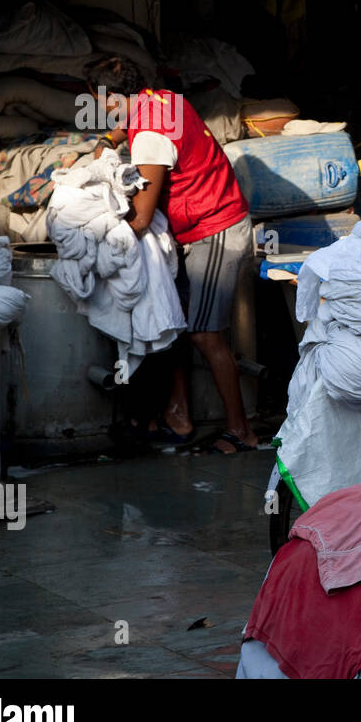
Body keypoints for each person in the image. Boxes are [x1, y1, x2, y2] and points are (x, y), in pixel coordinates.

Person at [87, 55, 260, 454]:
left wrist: (101, 235)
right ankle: (178, 418)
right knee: (178, 327)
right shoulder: (160, 99)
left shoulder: (149, 134)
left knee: (203, 334)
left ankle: (242, 431)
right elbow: (130, 127)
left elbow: (143, 217)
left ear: (111, 98)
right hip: (196, 224)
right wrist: (108, 140)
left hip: (215, 229)